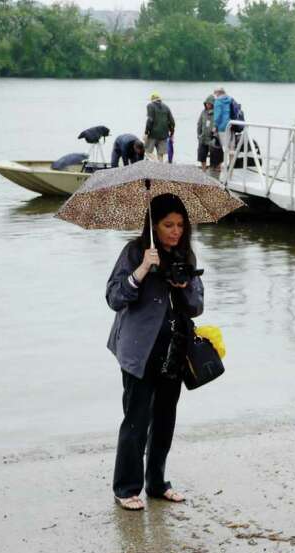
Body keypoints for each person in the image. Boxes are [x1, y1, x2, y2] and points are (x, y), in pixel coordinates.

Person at [104, 194, 204, 511]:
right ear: (154, 225)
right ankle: (125, 488)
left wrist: (184, 288)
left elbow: (197, 306)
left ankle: (157, 484)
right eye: (168, 225)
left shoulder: (185, 254)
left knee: (164, 419)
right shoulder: (135, 251)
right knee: (136, 419)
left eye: (180, 225)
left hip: (174, 349)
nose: (175, 231)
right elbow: (114, 297)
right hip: (139, 349)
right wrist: (142, 269)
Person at [143, 92, 175, 163]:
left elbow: (150, 120)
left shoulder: (150, 105)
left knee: (147, 151)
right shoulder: (166, 107)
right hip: (164, 135)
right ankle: (160, 166)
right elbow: (172, 122)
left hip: (153, 134)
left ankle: (156, 162)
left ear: (152, 99)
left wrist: (146, 132)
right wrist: (172, 134)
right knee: (160, 154)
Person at [197, 96, 224, 173]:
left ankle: (217, 168)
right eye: (206, 103)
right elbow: (199, 124)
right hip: (203, 137)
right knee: (202, 154)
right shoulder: (203, 112)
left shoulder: (217, 113)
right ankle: (203, 170)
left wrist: (216, 131)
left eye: (209, 103)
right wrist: (199, 135)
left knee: (217, 155)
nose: (207, 105)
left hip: (214, 138)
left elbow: (221, 124)